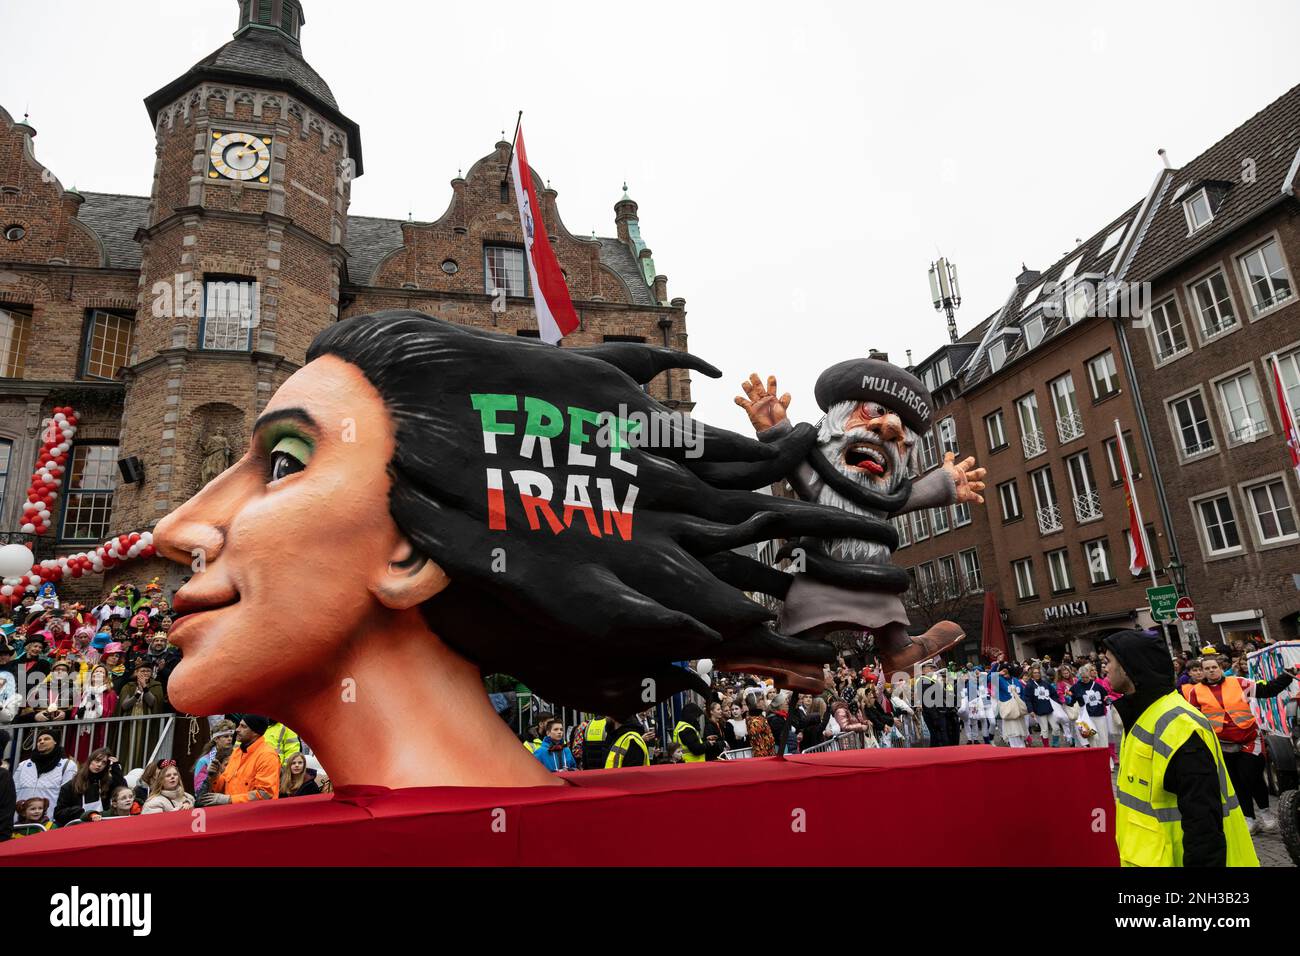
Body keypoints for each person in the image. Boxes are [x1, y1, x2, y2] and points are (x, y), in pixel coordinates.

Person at [1102, 630, 1257, 867]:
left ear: (1128, 667)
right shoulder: (1142, 716)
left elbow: (1203, 820)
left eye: (1108, 662)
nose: (1106, 669)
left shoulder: (1178, 724)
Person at [1182, 650, 1297, 834]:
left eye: (1214, 667)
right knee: (1236, 782)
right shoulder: (1195, 692)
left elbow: (1267, 690)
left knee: (1251, 777)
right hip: (1222, 743)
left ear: (1221, 668)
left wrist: (1287, 675)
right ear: (1202, 672)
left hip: (1249, 739)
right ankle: (1249, 818)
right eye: (1207, 669)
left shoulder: (1238, 682)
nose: (1211, 671)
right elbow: (1192, 718)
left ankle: (1266, 813)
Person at [198, 715, 281, 805]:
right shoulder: (237, 752)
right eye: (239, 725)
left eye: (243, 726)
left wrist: (230, 799)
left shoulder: (267, 756)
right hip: (234, 813)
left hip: (256, 816)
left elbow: (265, 794)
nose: (237, 729)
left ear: (255, 732)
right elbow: (225, 785)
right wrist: (215, 776)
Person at [52, 747, 126, 826]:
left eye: (104, 763)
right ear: (90, 760)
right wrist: (81, 813)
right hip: (78, 829)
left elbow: (123, 792)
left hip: (102, 828)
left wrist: (116, 768)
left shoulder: (107, 784)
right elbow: (58, 813)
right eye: (97, 760)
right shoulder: (70, 786)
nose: (99, 764)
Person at [13, 731, 76, 813]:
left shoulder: (67, 765)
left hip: (50, 819)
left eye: (46, 739)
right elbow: (14, 790)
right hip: (21, 819)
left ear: (55, 742)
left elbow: (67, 795)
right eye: (39, 740)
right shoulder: (23, 765)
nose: (42, 742)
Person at [72, 664, 118, 762]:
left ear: (106, 677)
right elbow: (74, 712)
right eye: (96, 671)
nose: (98, 673)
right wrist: (78, 714)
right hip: (82, 730)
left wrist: (96, 703)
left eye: (101, 672)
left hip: (98, 729)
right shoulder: (83, 692)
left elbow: (109, 713)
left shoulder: (110, 693)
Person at [1069, 663, 1111, 761]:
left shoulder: (1097, 686)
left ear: (1089, 675)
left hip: (1099, 715)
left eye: (1087, 677)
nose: (1085, 679)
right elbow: (1071, 702)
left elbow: (1106, 700)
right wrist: (1067, 699)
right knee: (1092, 739)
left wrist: (1108, 700)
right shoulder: (1076, 687)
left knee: (1103, 738)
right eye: (1083, 677)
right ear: (1080, 676)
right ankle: (1096, 760)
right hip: (1085, 716)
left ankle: (1107, 762)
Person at [994, 664, 1028, 748]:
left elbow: (1023, 694)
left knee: (1021, 733)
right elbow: (988, 678)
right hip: (1008, 711)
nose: (1004, 672)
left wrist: (1022, 703)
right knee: (1013, 733)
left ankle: (1022, 749)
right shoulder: (999, 680)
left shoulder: (1016, 680)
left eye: (1006, 670)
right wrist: (997, 672)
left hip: (1019, 711)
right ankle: (1016, 751)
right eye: (1003, 670)